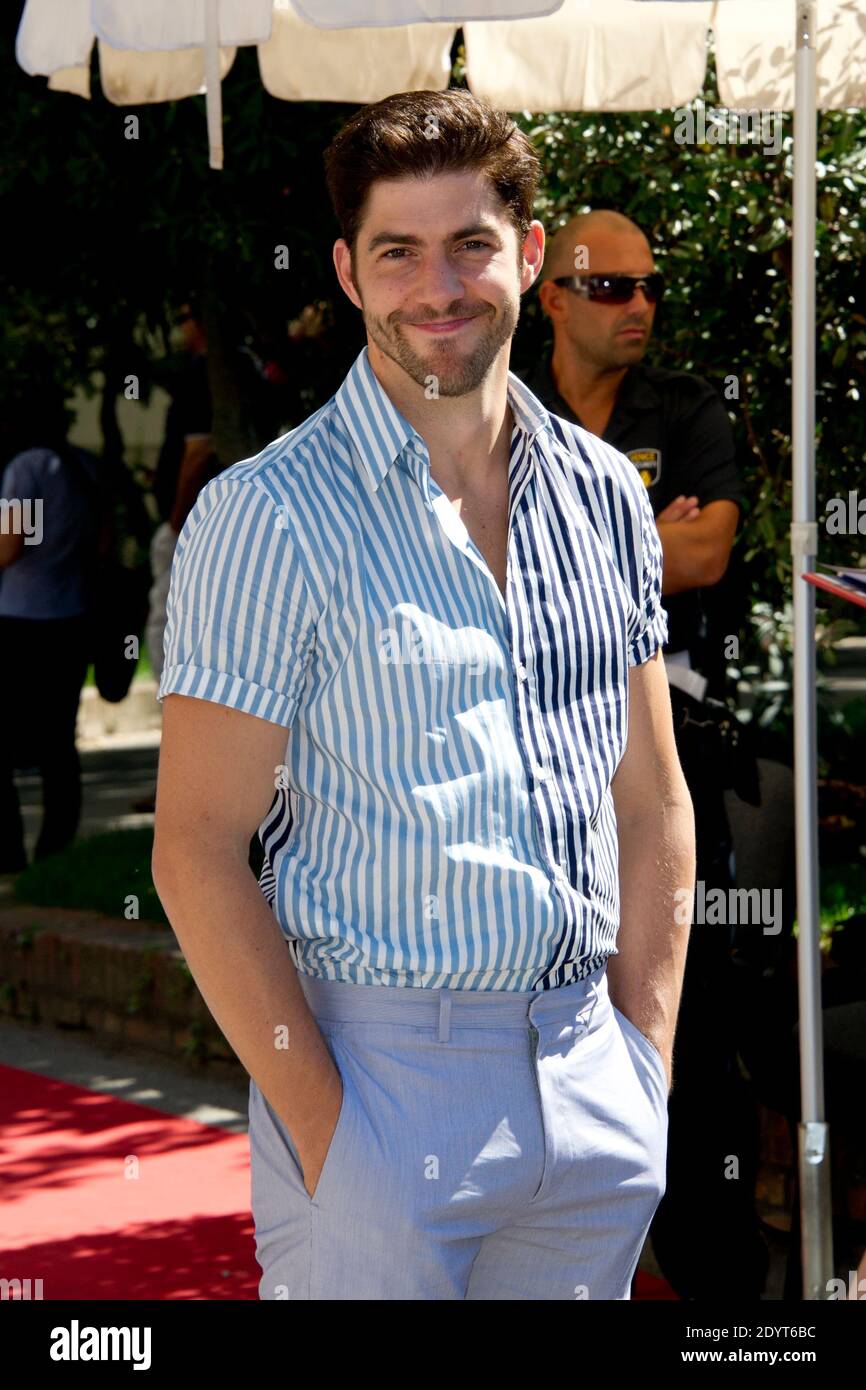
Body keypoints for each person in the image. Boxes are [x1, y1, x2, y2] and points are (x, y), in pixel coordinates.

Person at [152, 88, 695, 1301]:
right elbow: (196, 848)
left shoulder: (605, 495)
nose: (436, 286)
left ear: (530, 257)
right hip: (378, 1087)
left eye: (470, 245)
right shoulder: (268, 512)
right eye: (398, 250)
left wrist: (640, 1062)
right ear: (349, 272)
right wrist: (327, 1129)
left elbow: (651, 800)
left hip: (587, 1082)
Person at [528, 210, 766, 1298]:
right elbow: (474, 557)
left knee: (691, 1024)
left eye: (647, 288)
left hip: (669, 772)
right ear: (553, 298)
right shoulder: (502, 410)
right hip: (529, 768)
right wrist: (636, 526)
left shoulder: (688, 404)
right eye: (609, 287)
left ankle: (715, 1287)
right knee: (533, 1012)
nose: (637, 306)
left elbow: (707, 550)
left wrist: (555, 540)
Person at [0, 387, 101, 872]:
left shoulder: (27, 469)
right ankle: (56, 851)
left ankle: (9, 853)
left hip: (21, 619)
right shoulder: (85, 466)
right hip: (72, 615)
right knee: (59, 740)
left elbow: (10, 545)